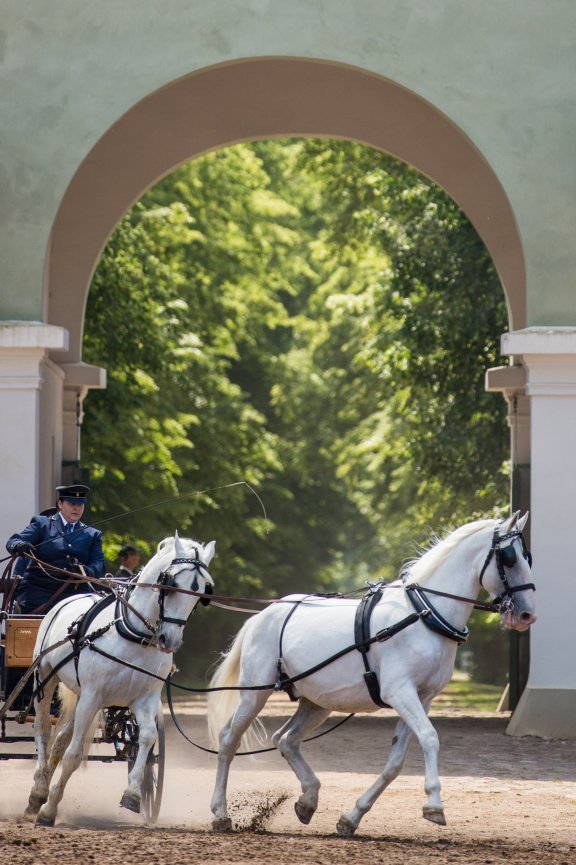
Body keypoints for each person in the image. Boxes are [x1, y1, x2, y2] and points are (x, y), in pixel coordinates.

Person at [6, 484, 105, 614]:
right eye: (71, 503)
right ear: (60, 504)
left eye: (80, 504)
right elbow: (13, 541)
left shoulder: (92, 534)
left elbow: (99, 564)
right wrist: (19, 545)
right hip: (39, 592)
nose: (76, 508)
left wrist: (86, 570)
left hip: (76, 593)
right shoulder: (43, 524)